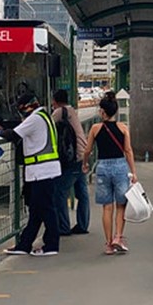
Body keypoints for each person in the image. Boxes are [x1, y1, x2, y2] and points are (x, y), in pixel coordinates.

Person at [0, 88, 63, 257]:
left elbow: (13, 134)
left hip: (41, 171)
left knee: (45, 209)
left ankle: (51, 245)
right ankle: (24, 245)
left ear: (25, 107)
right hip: (43, 170)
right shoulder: (44, 116)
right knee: (37, 211)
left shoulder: (35, 119)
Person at [83, 92, 138, 255]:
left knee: (107, 207)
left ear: (102, 112)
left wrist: (85, 164)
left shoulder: (95, 128)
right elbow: (128, 150)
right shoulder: (123, 128)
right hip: (121, 167)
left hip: (102, 167)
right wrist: (133, 172)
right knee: (121, 204)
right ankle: (118, 237)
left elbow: (88, 150)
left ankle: (108, 244)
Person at [50, 89, 90, 236]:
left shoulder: (60, 112)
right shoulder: (71, 110)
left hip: (72, 158)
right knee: (82, 192)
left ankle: (63, 227)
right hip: (82, 155)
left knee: (60, 192)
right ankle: (83, 224)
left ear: (55, 100)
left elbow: (47, 125)